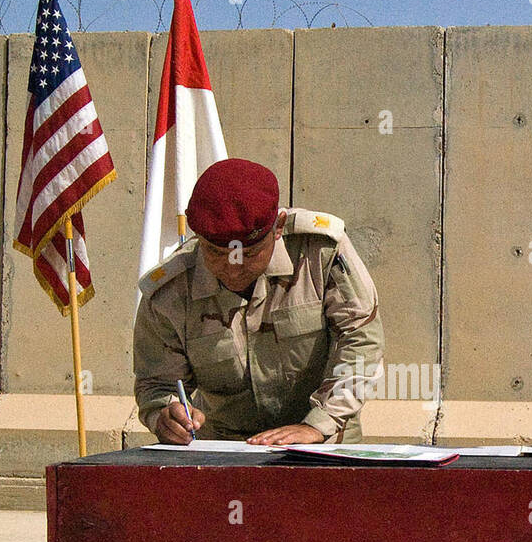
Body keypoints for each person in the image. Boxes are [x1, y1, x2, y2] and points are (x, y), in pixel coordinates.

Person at [135, 158, 384, 445]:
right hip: (227, 452)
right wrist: (167, 414)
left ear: (277, 227)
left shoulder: (319, 253)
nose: (233, 268)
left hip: (324, 444)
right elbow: (157, 383)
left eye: (250, 254)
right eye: (216, 253)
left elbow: (361, 340)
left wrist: (319, 424)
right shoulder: (170, 292)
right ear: (198, 237)